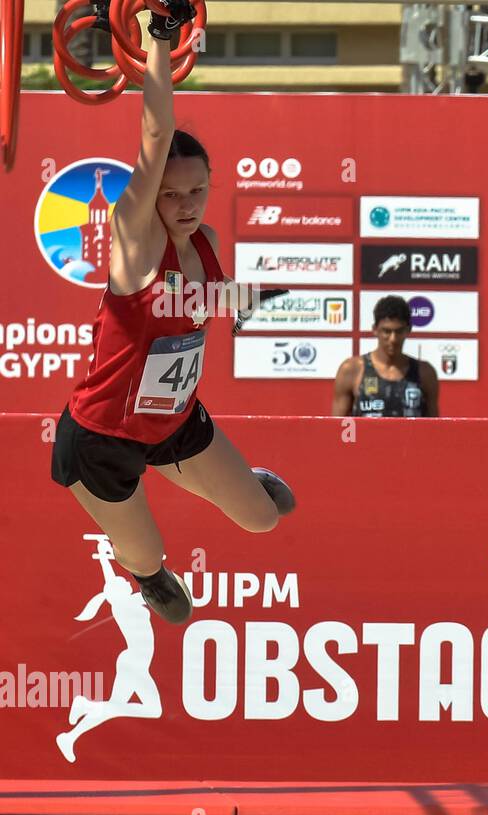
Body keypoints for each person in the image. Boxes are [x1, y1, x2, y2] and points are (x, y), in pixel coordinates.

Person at [50, 10, 296, 627]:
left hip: (176, 421)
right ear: (149, 194)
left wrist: (244, 302)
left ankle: (231, 477)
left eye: (196, 191)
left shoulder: (207, 239)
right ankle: (148, 575)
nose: (184, 207)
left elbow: (203, 302)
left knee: (263, 519)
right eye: (170, 194)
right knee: (151, 556)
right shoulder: (136, 242)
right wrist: (158, 37)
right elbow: (156, 136)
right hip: (103, 437)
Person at [332, 296, 440, 417]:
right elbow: (337, 428)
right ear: (375, 330)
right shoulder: (352, 370)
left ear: (408, 330)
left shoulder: (424, 373)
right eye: (386, 331)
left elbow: (434, 430)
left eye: (398, 331)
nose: (393, 339)